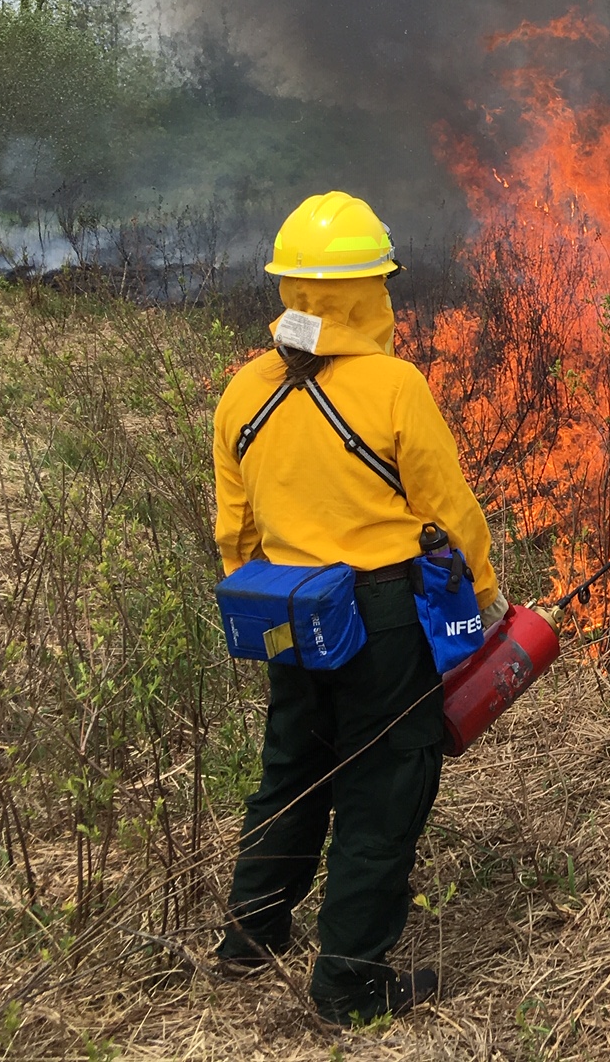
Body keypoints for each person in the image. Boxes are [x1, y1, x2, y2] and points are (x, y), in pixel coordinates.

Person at [211, 191, 506, 1025]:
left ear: (290, 291)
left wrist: (270, 606)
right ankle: (349, 986)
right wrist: (480, 601)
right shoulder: (393, 385)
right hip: (379, 616)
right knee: (383, 788)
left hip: (288, 611)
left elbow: (234, 529)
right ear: (369, 292)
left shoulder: (244, 391)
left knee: (292, 773)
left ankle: (249, 937)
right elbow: (448, 514)